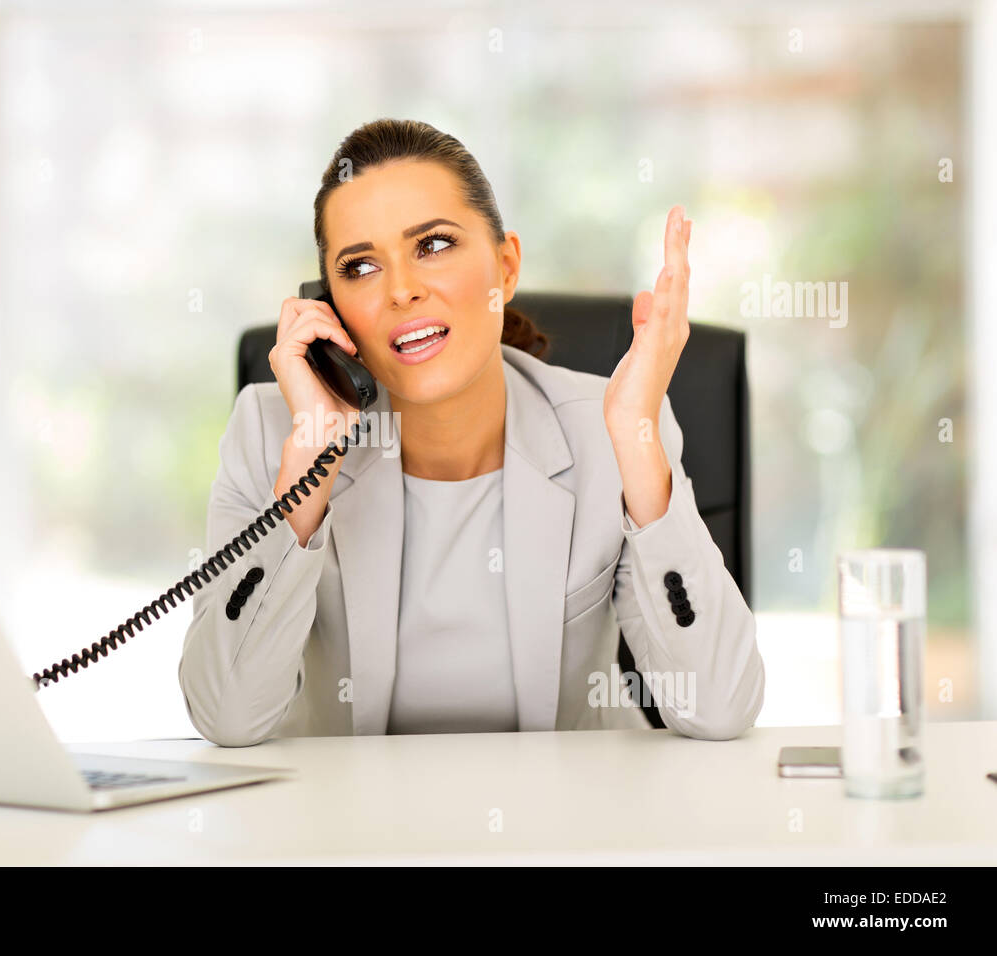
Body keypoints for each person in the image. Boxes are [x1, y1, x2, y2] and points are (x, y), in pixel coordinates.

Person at [179, 118, 763, 747]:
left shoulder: (610, 427)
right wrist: (307, 472)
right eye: (361, 266)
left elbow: (721, 707)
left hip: (565, 834)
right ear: (328, 306)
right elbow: (226, 718)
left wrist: (636, 436)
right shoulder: (273, 434)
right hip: (353, 837)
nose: (402, 290)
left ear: (505, 267)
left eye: (432, 244)